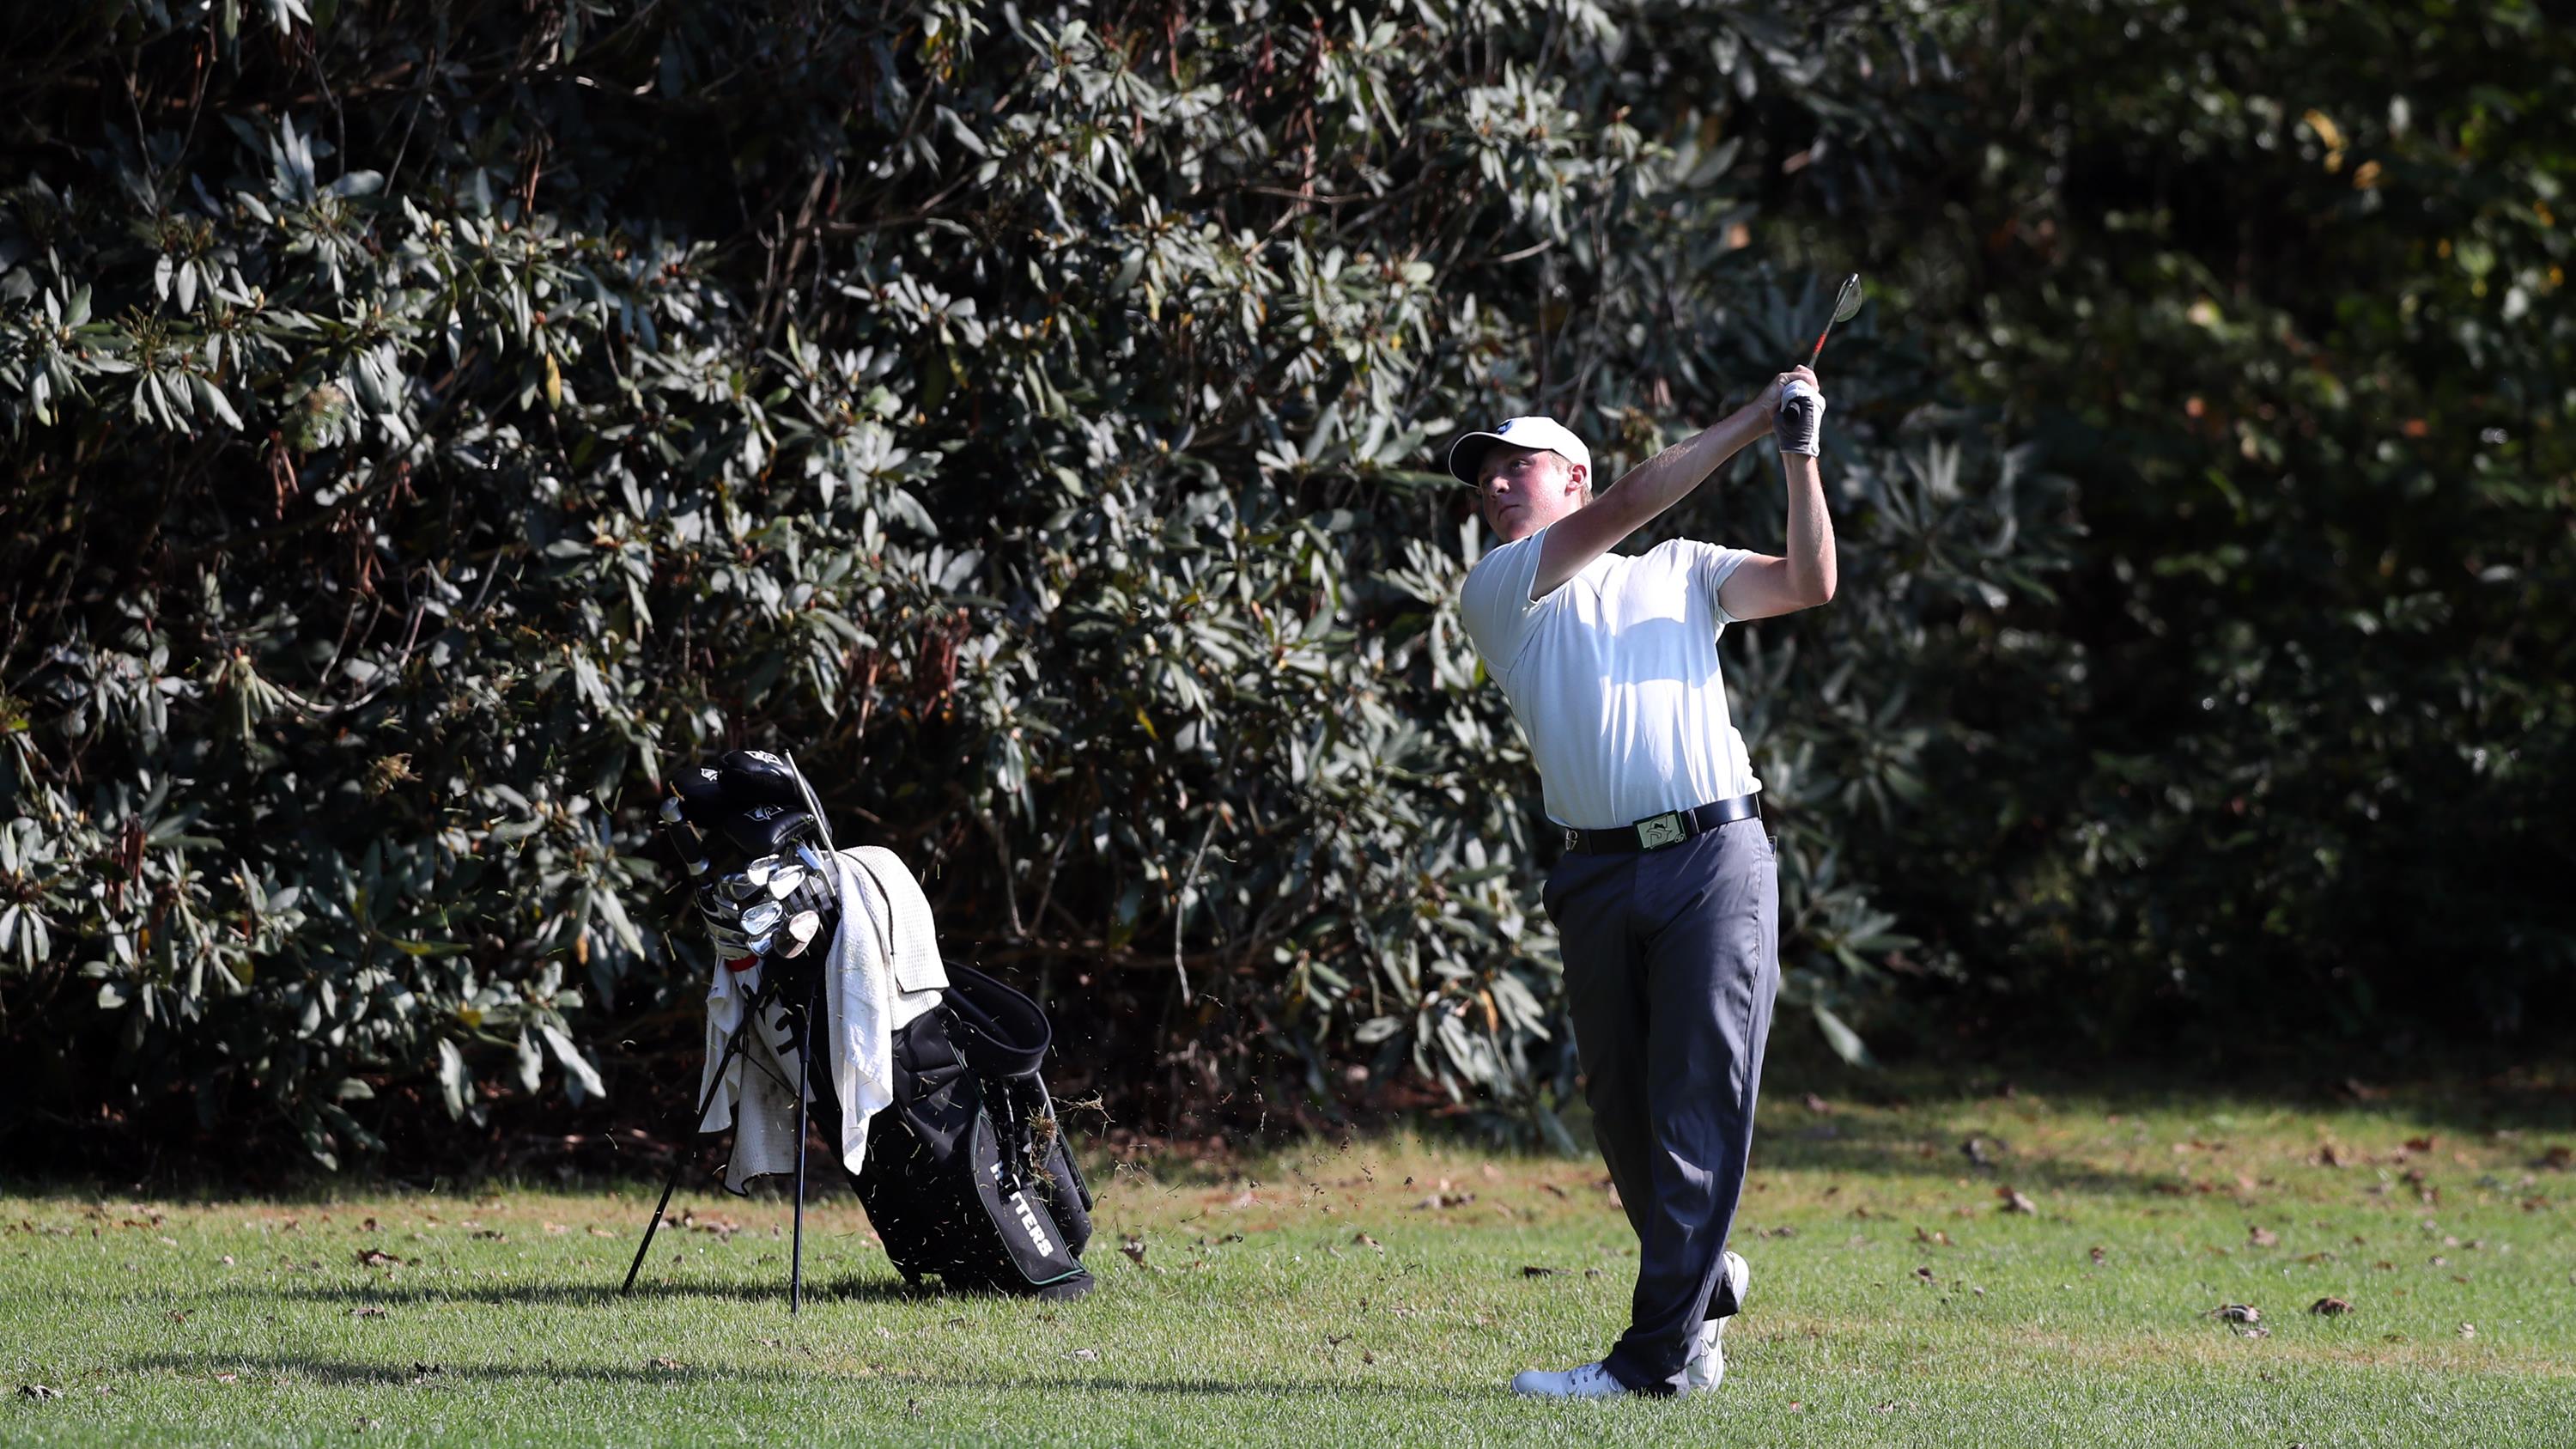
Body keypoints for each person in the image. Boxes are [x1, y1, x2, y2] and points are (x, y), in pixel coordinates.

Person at [1451, 367, 1835, 1398]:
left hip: (1715, 858)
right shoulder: (1498, 589)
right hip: (1595, 873)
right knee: (1624, 1111)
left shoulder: (1682, 570)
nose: (1491, 486)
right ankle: (1699, 1281)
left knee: (1698, 1098)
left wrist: (1797, 456)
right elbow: (1629, 505)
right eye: (1480, 476)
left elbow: (1808, 583)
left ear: (1567, 474)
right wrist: (1753, 418)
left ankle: (1653, 1363)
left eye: (1512, 467)